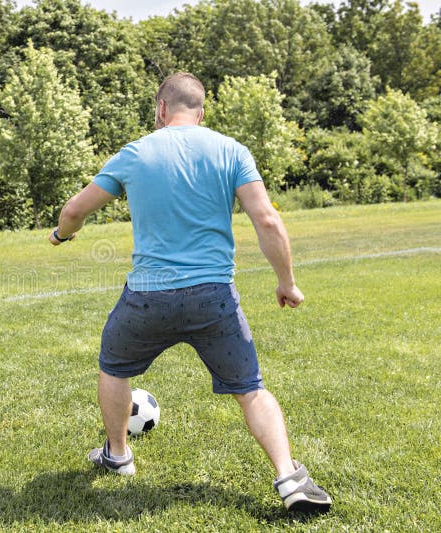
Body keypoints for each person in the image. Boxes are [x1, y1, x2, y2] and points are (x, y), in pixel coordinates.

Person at [49, 72, 332, 514]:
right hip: (214, 298)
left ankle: (119, 456)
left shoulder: (135, 153)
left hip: (148, 298)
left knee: (114, 368)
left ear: (161, 109)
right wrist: (286, 282)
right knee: (251, 389)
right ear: (201, 112)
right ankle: (290, 478)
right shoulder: (232, 150)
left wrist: (61, 235)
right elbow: (269, 221)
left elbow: (74, 210)